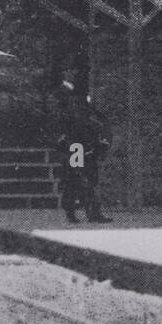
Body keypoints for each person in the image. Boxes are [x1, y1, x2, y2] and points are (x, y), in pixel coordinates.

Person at [51, 67, 111, 224]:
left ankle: (91, 213)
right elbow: (69, 125)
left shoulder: (82, 104)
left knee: (87, 179)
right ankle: (78, 212)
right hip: (76, 146)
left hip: (85, 146)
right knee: (77, 179)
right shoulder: (68, 104)